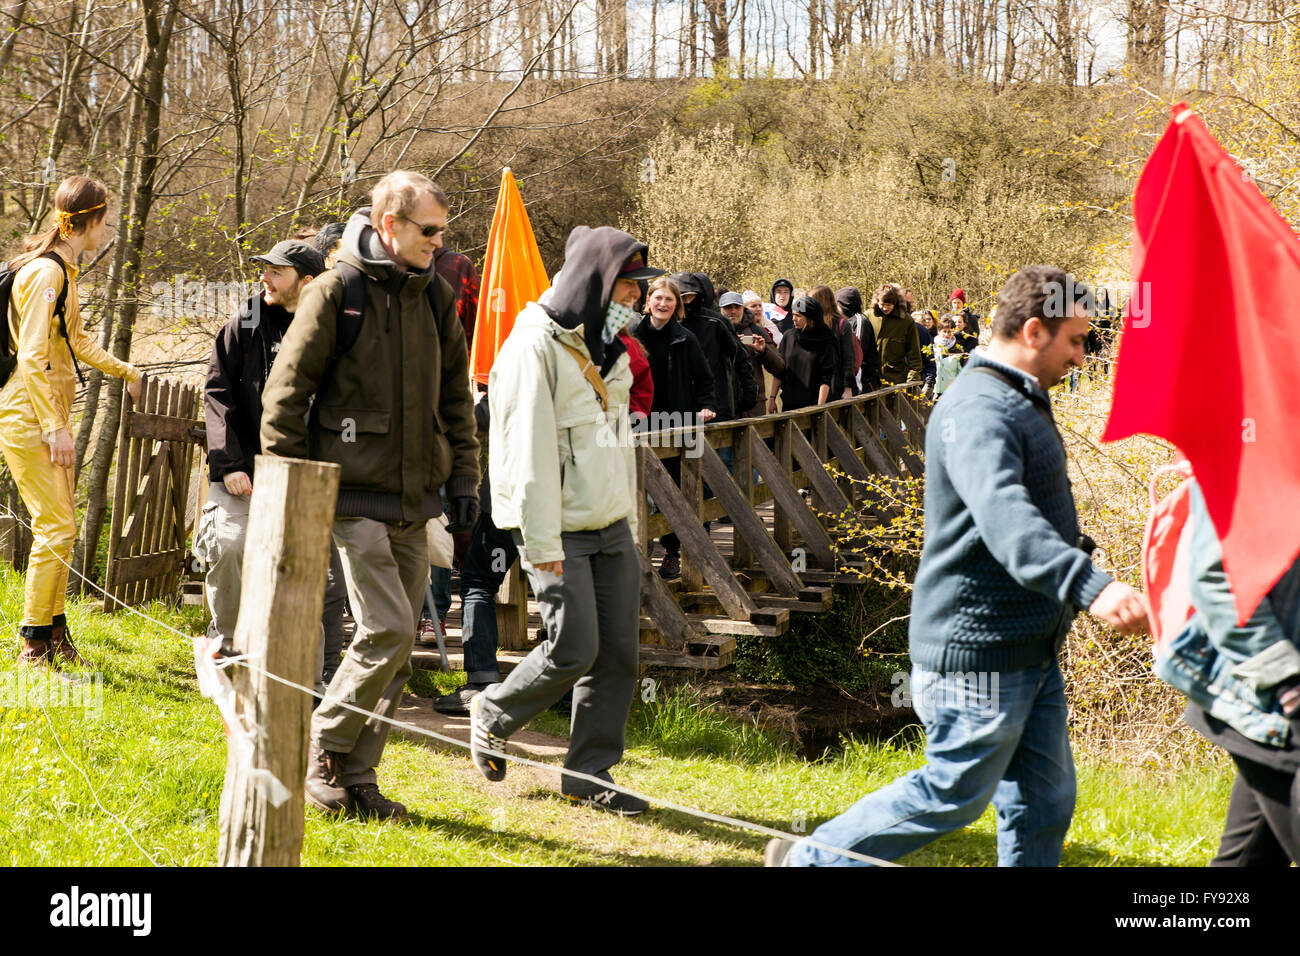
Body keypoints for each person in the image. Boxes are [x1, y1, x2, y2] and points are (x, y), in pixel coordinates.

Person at [768, 265, 1149, 867]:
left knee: (1044, 801)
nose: (1084, 355)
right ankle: (809, 861)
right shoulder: (978, 409)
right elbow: (1006, 519)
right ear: (1033, 331)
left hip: (1028, 646)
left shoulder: (1018, 397)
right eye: (1076, 339)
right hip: (976, 652)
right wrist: (1091, 588)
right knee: (952, 793)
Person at [261, 170, 480, 822]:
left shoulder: (437, 298)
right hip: (349, 497)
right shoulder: (335, 292)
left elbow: (454, 401)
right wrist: (289, 491)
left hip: (417, 499)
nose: (440, 243)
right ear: (391, 224)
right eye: (429, 230)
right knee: (384, 629)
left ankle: (356, 778)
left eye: (444, 230)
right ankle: (323, 748)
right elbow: (285, 396)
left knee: (399, 650)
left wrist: (464, 478)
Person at [471, 226, 656, 815]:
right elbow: (524, 456)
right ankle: (495, 711)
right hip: (557, 530)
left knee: (618, 654)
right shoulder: (533, 348)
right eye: (630, 288)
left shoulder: (610, 350)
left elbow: (613, 444)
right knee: (573, 648)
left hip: (610, 527)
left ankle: (591, 776)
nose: (637, 301)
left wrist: (626, 521)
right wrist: (543, 541)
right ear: (600, 284)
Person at [1, 176, 143, 668]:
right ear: (94, 220)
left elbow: (76, 341)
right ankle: (33, 646)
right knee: (55, 527)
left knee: (64, 525)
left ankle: (56, 632)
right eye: (108, 222)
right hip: (28, 416)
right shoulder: (47, 274)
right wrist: (52, 427)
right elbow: (33, 354)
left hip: (47, 413)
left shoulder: (66, 270)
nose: (109, 231)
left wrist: (127, 370)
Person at [198, 238, 349, 688]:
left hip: (306, 471)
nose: (264, 277)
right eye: (263, 269)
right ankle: (228, 647)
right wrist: (229, 465)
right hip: (243, 466)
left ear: (306, 282)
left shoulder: (330, 326)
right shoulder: (244, 321)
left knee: (313, 573)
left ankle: (308, 679)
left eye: (275, 271)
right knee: (228, 546)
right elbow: (217, 392)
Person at [1153, 478, 1300, 864]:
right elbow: (1221, 579)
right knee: (978, 764)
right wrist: (1286, 681)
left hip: (1275, 708)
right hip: (983, 664)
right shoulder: (1253, 451)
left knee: (1248, 857)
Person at [631, 276, 715, 579]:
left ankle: (672, 550)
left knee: (674, 487)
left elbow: (704, 378)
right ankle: (639, 545)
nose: (663, 304)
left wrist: (706, 406)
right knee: (637, 484)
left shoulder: (685, 338)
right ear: (648, 301)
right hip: (639, 421)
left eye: (669, 300)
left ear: (676, 305)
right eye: (658, 298)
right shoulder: (631, 334)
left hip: (675, 422)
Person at [721, 290, 783, 418]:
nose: (733, 311)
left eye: (737, 307)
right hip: (724, 406)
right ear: (720, 309)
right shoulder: (714, 330)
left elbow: (780, 367)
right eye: (728, 308)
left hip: (753, 407)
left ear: (743, 308)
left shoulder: (756, 331)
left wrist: (764, 351)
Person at [769, 295, 835, 412]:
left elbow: (826, 378)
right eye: (793, 314)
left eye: (798, 316)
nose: (793, 319)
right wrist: (772, 398)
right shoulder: (788, 337)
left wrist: (819, 409)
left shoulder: (825, 340)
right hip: (790, 405)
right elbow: (780, 371)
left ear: (810, 318)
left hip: (814, 404)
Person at [811, 285, 858, 400]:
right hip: (816, 384)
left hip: (836, 384)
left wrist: (848, 389)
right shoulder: (812, 324)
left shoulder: (842, 324)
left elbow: (849, 359)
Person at [870, 284, 923, 387]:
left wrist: (912, 380)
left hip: (896, 380)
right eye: (882, 304)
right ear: (877, 301)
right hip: (873, 380)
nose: (885, 308)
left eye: (889, 305)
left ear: (895, 303)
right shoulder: (869, 317)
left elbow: (914, 355)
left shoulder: (906, 321)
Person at [834, 287, 881, 393]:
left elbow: (856, 354)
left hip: (864, 381)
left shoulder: (860, 321)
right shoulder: (844, 321)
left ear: (844, 304)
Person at [931, 315, 964, 397]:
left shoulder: (957, 349)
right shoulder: (932, 348)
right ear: (939, 331)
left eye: (949, 331)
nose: (946, 334)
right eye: (944, 331)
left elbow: (961, 371)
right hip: (934, 389)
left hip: (951, 390)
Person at [950, 288, 981, 353]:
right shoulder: (947, 317)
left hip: (967, 353)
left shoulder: (972, 318)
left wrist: (963, 352)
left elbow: (974, 339)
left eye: (958, 302)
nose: (956, 305)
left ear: (963, 303)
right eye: (954, 303)